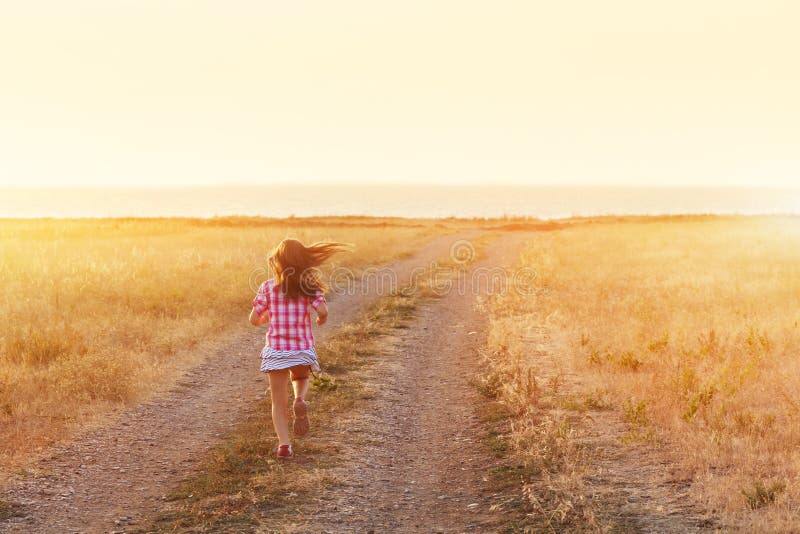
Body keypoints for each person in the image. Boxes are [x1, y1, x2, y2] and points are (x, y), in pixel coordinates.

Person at [249, 238, 348, 458]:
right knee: (301, 376)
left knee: (277, 401)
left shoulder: (267, 287)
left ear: (278, 261)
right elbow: (322, 310)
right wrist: (321, 318)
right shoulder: (307, 286)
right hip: (301, 349)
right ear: (303, 261)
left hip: (276, 350)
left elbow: (253, 319)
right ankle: (299, 399)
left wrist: (268, 316)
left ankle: (284, 446)